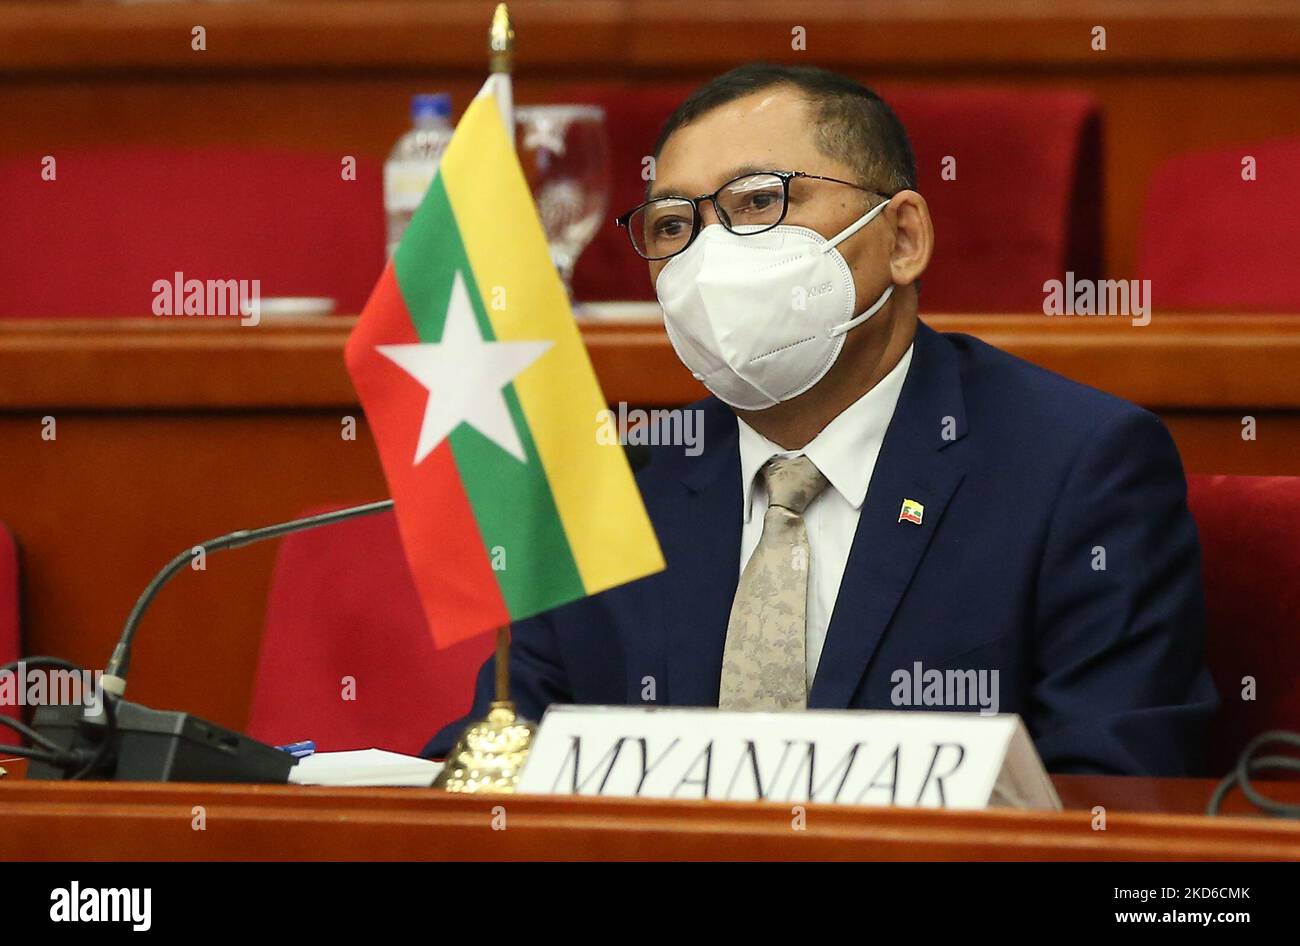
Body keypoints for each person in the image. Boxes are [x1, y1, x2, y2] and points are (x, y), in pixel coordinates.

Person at [423, 63, 1217, 776]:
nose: (711, 258)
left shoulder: (1078, 468)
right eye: (673, 226)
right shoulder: (617, 489)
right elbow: (503, 763)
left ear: (902, 237)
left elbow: (1117, 796)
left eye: (761, 202)